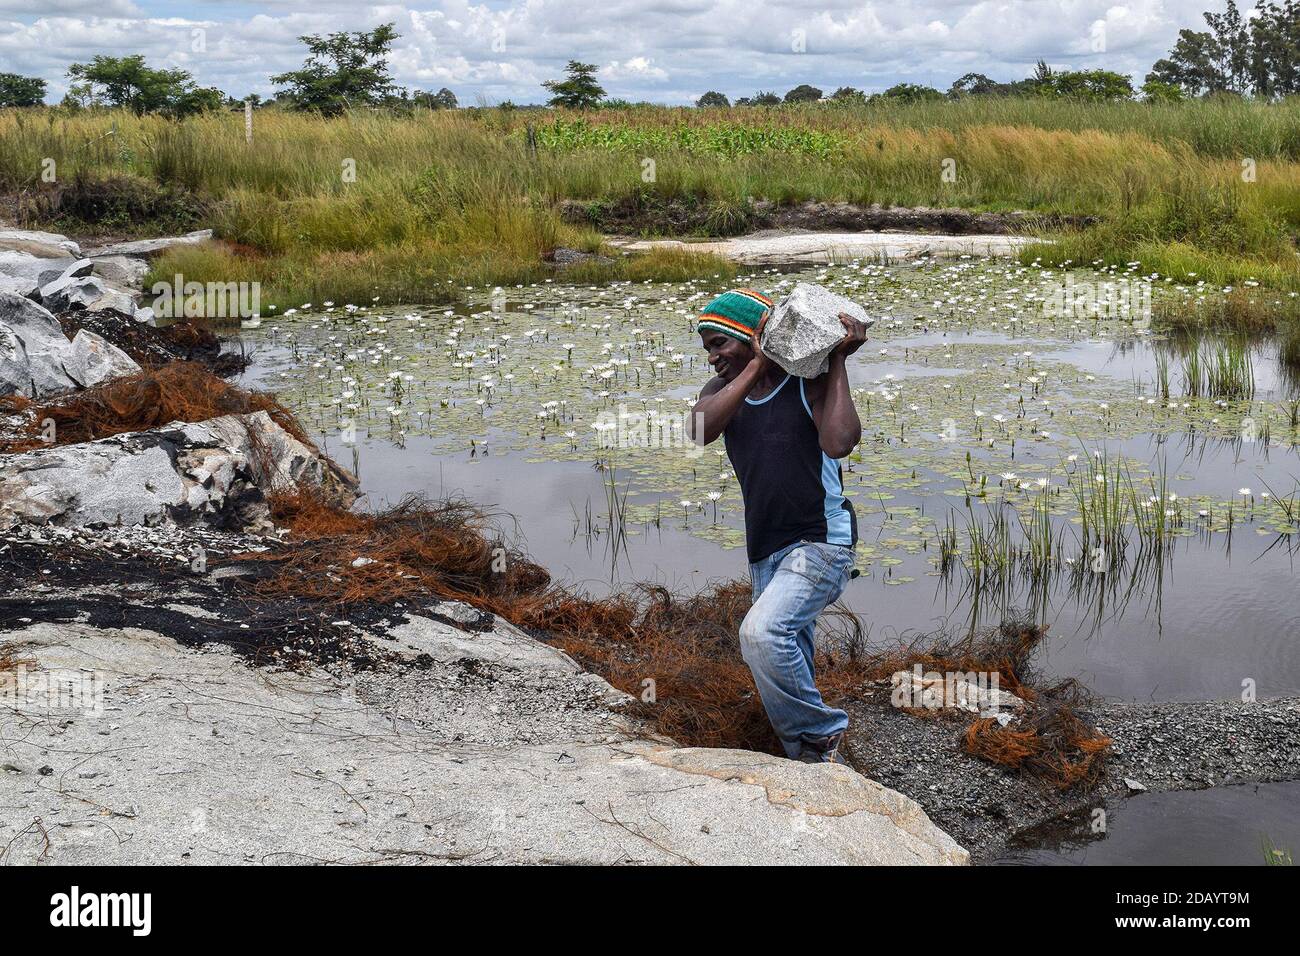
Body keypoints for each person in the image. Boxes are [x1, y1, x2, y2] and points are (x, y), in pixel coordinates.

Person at [687, 288, 868, 764]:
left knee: (762, 634)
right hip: (765, 550)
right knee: (788, 654)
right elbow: (696, 433)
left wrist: (839, 363)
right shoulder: (720, 394)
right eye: (706, 347)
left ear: (750, 335)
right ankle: (810, 763)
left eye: (719, 344)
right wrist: (754, 367)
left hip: (821, 543)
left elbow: (839, 443)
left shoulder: (806, 381)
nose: (712, 358)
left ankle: (821, 732)